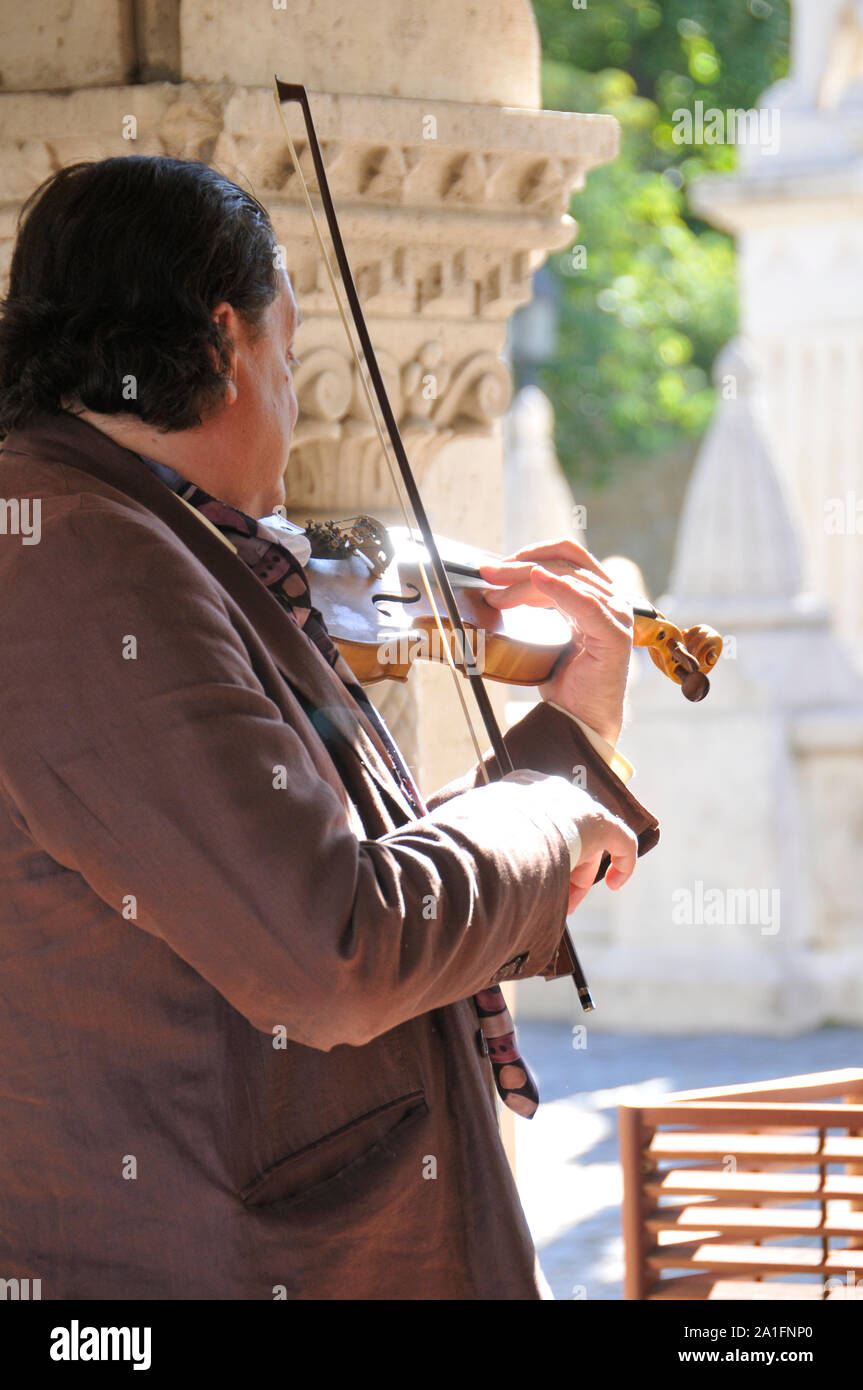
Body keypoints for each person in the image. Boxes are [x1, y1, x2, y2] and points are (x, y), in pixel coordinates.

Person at [0, 156, 659, 1300]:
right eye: (289, 355)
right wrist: (546, 812)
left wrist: (565, 744)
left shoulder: (120, 534)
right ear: (221, 344)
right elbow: (334, 950)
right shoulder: (79, 560)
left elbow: (325, 880)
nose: (296, 409)